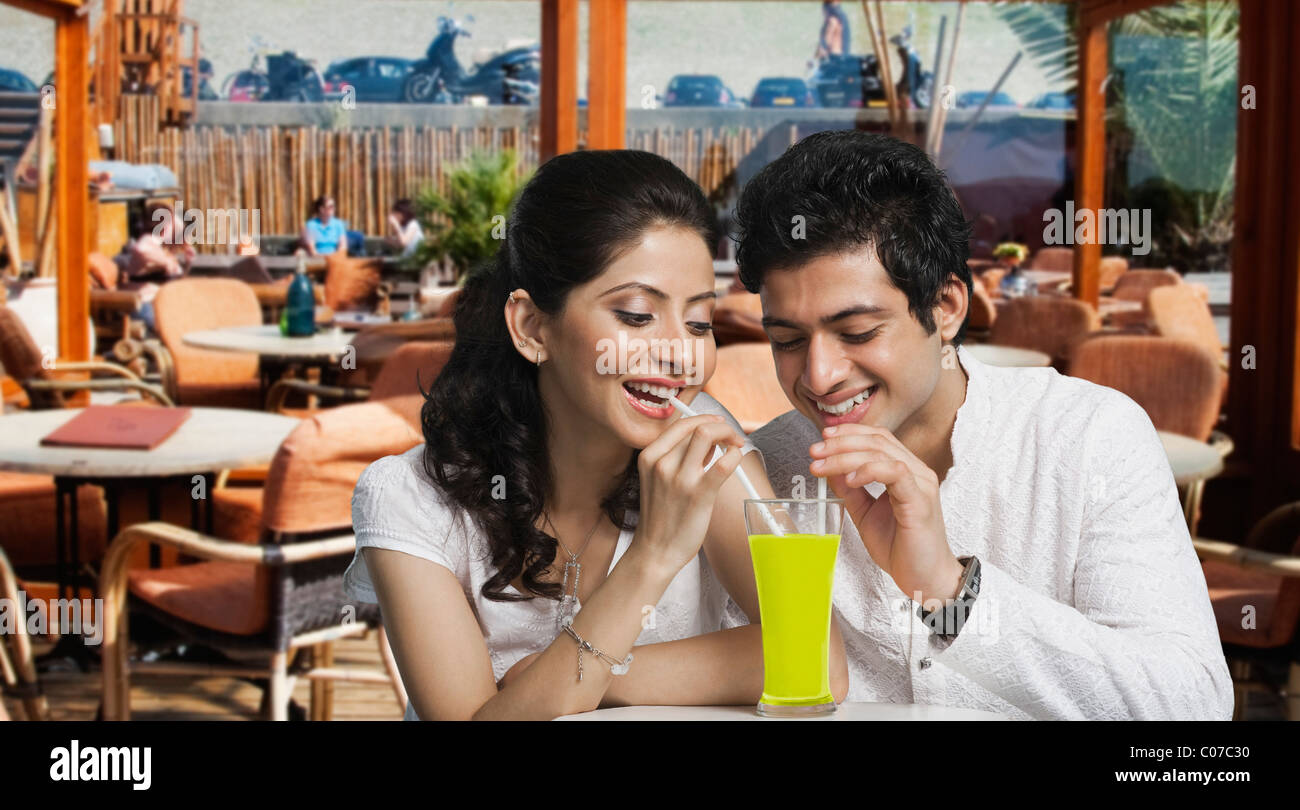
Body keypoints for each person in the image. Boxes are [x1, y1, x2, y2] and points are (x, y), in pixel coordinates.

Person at [732, 130, 1233, 720]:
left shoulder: (1090, 437)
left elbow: (1192, 708)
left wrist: (949, 591)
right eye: (787, 339)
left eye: (859, 332)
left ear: (946, 309)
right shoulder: (758, 477)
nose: (818, 376)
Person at [342, 149, 848, 721]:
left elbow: (814, 659)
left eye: (699, 323)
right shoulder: (408, 497)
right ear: (533, 327)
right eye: (635, 315)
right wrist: (653, 556)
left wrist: (588, 676)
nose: (679, 354)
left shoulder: (701, 445)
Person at [122, 204, 193, 331]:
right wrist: (165, 261)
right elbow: (140, 249)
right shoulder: (148, 242)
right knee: (174, 328)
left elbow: (176, 278)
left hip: (157, 302)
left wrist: (187, 261)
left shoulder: (160, 247)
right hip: (143, 304)